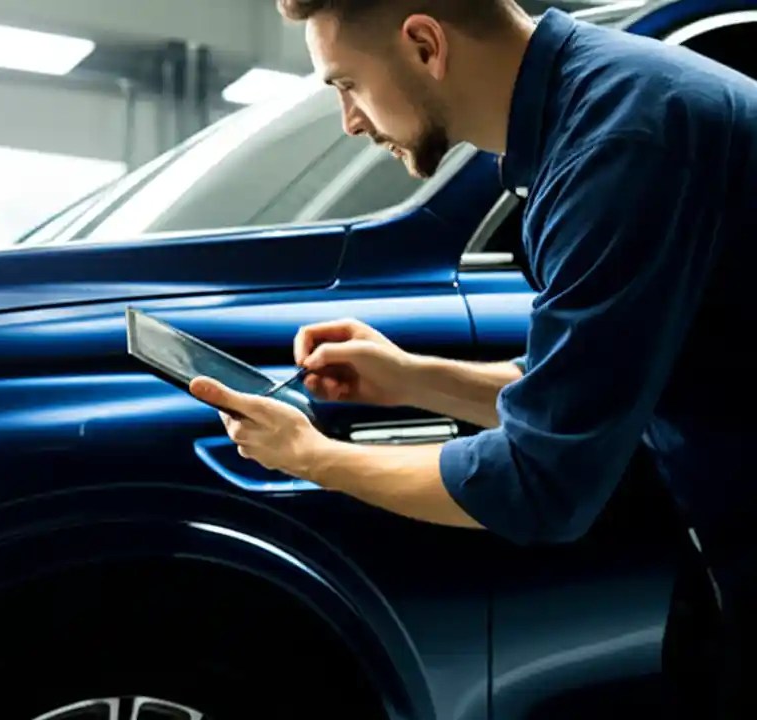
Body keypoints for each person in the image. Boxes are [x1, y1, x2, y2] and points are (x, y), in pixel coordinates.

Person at [186, 0, 757, 715]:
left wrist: (312, 458)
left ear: (424, 43)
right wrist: (409, 378)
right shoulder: (599, 109)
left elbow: (542, 483)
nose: (350, 121)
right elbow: (592, 388)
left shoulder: (622, 143)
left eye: (346, 85)